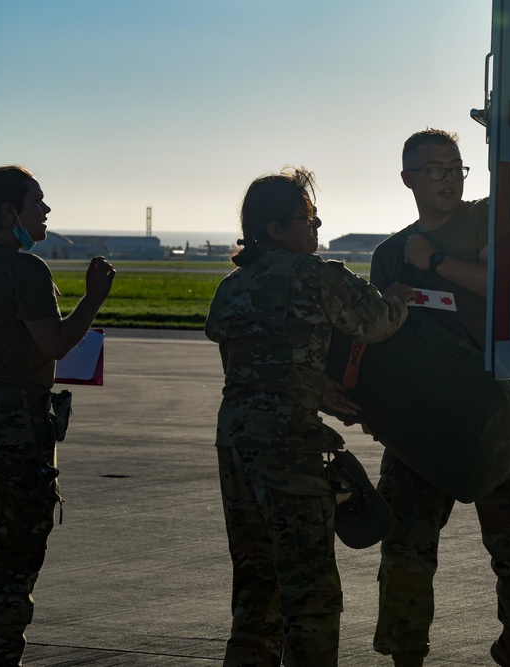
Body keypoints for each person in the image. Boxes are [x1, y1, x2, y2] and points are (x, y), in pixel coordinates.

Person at [204, 168, 411, 667]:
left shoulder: (232, 286)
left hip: (235, 443)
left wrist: (314, 389)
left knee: (256, 587)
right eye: (308, 217)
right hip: (287, 446)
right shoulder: (316, 275)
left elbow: (248, 364)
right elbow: (376, 322)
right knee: (310, 595)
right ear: (276, 229)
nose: (316, 227)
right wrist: (401, 300)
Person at [369, 130, 510, 667]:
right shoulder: (388, 256)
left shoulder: (483, 219)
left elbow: (508, 283)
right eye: (435, 169)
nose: (449, 178)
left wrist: (432, 262)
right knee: (406, 542)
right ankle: (406, 652)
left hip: (500, 404)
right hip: (421, 418)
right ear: (408, 178)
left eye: (457, 168)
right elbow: (374, 339)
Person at [0, 165, 115, 667]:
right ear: (9, 211)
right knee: (13, 564)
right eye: (38, 202)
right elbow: (57, 343)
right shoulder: (25, 270)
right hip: (10, 433)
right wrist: (93, 301)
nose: (46, 211)